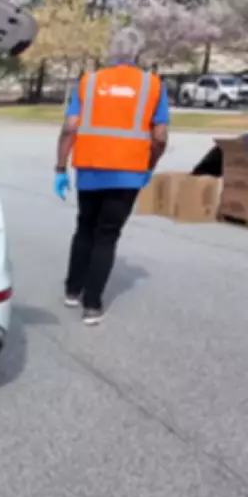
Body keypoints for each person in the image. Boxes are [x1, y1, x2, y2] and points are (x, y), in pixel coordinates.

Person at [54, 27, 169, 326]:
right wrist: (149, 167)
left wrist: (59, 167)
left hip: (90, 170)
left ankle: (72, 290)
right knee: (107, 236)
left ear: (111, 51)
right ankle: (92, 306)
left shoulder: (89, 82)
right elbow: (159, 136)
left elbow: (70, 127)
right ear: (137, 53)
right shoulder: (152, 85)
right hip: (128, 173)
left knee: (84, 228)